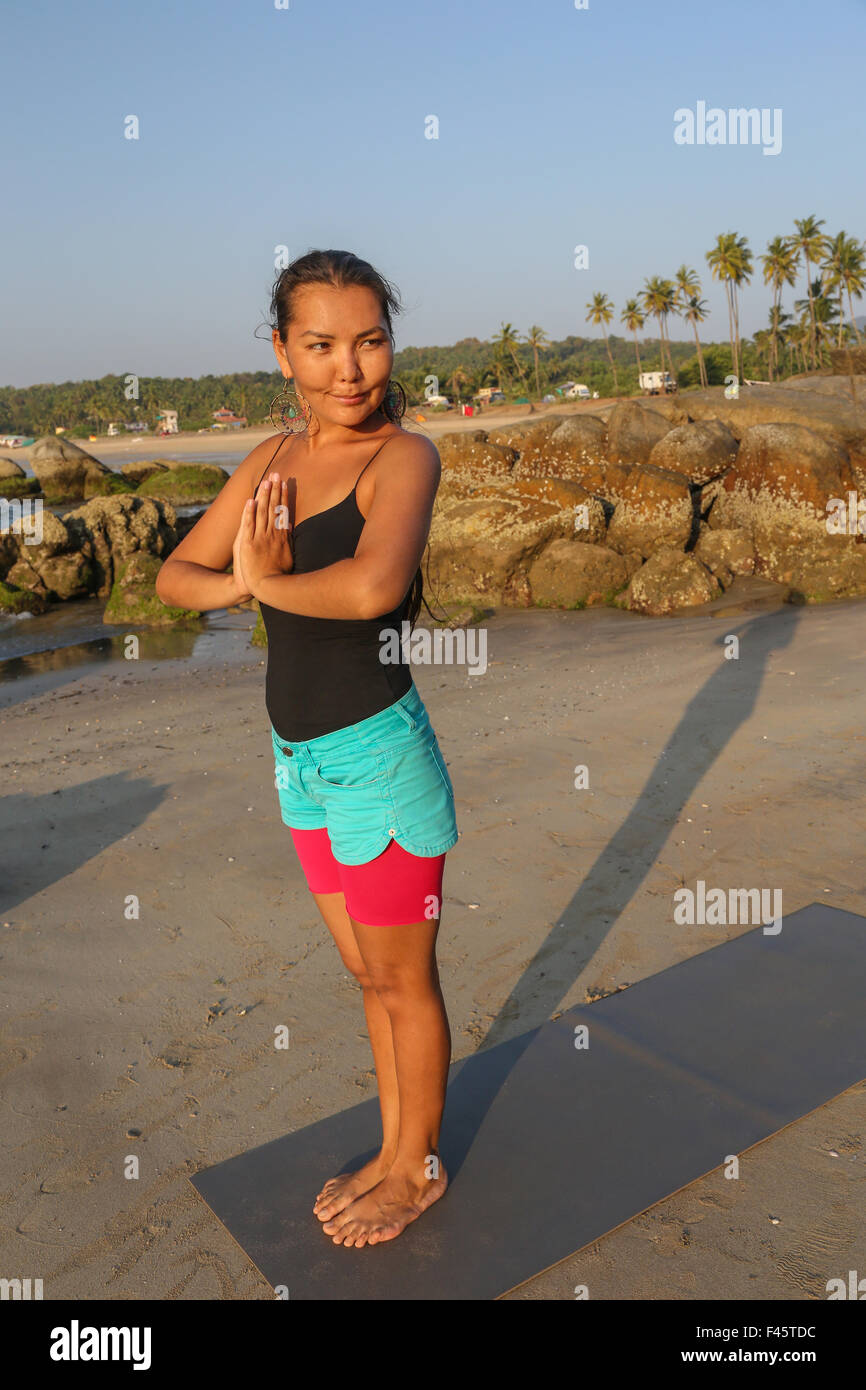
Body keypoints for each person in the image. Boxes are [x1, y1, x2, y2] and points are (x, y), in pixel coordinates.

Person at [155, 249, 458, 1249]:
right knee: (367, 979)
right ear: (283, 351)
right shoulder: (273, 458)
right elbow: (176, 579)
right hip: (300, 766)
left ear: (388, 344)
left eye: (368, 340)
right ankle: (390, 1146)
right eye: (321, 344)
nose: (349, 367)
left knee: (403, 978)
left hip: (377, 755)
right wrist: (247, 574)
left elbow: (371, 587)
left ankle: (414, 1170)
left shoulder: (402, 456)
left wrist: (259, 577)